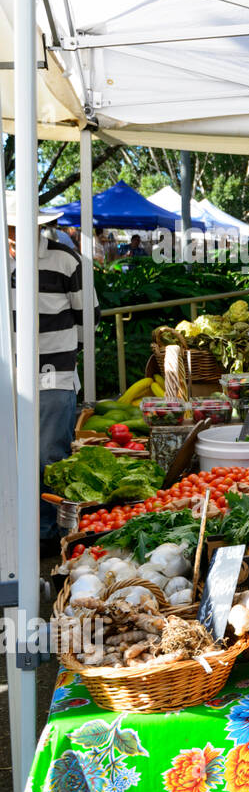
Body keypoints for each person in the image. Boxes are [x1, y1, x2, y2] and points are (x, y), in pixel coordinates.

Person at [7, 193, 100, 551]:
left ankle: (50, 538)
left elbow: (86, 318)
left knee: (51, 457)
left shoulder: (66, 260)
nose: (13, 234)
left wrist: (62, 354)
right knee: (12, 458)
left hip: (53, 374)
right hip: (8, 376)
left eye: (18, 226)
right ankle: (15, 534)